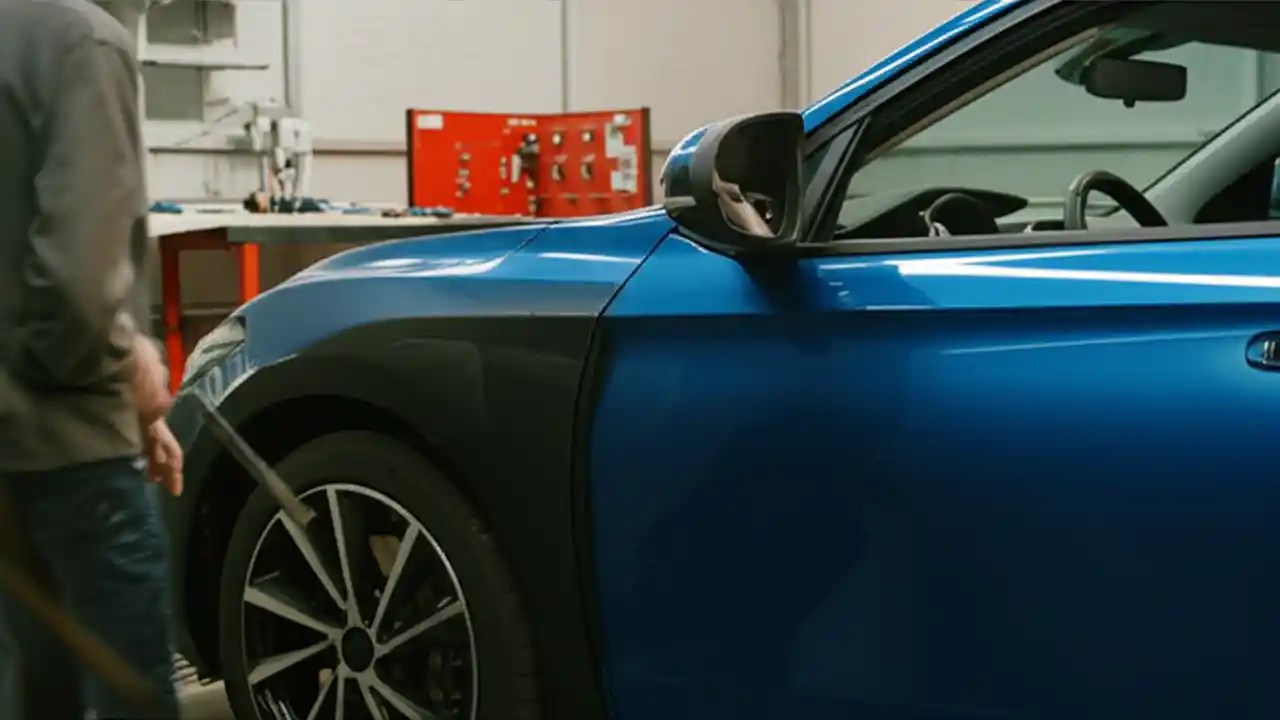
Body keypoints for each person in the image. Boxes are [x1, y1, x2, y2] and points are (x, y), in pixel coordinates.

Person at [0, 0, 185, 717]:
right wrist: (126, 370)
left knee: (34, 692)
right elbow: (79, 291)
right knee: (129, 695)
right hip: (69, 459)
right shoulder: (85, 42)